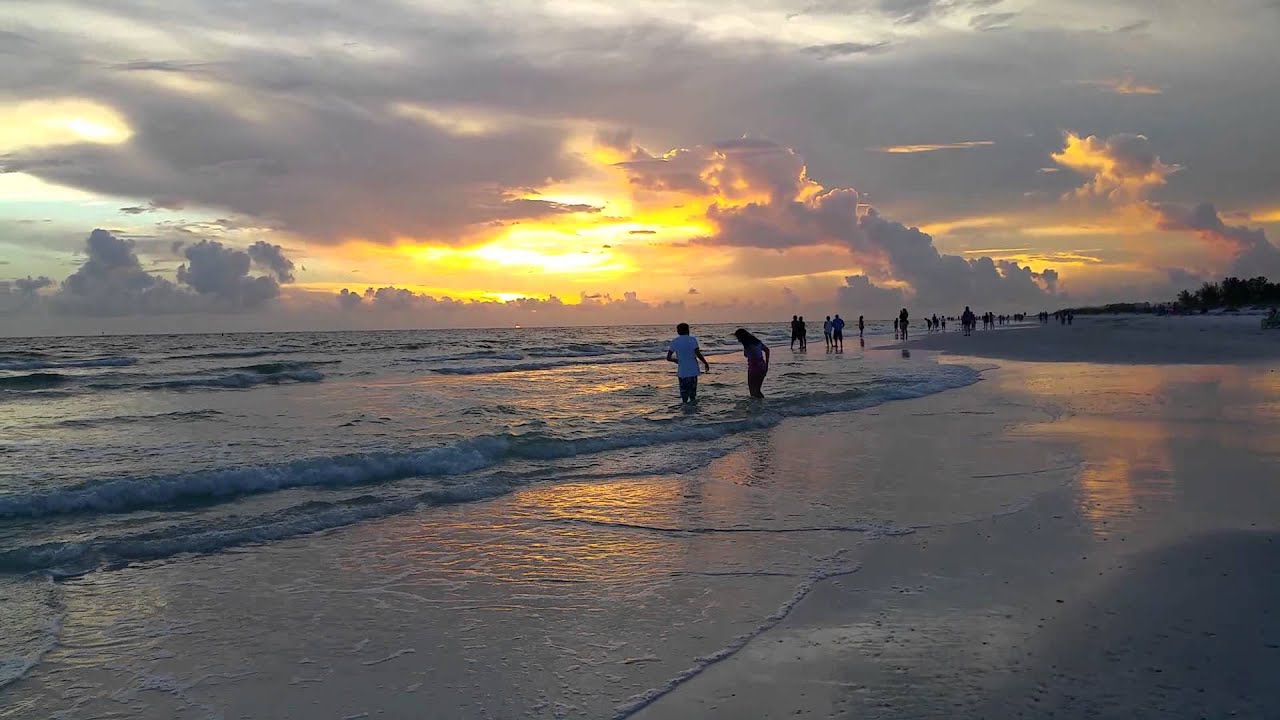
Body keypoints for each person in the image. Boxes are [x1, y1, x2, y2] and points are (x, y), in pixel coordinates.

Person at [666, 322, 709, 404]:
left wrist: (676, 360)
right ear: (687, 330)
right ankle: (693, 413)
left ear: (678, 331)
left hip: (682, 372)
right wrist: (705, 363)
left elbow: (668, 358)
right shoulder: (692, 339)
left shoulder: (675, 341)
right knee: (692, 395)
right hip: (693, 371)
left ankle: (685, 412)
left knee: (684, 396)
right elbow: (698, 354)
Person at [734, 328, 770, 398]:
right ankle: (761, 404)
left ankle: (757, 406)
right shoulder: (757, 342)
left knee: (753, 391)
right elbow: (767, 350)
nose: (738, 340)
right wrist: (766, 364)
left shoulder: (747, 345)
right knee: (758, 390)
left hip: (754, 367)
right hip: (762, 365)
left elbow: (747, 355)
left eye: (738, 337)